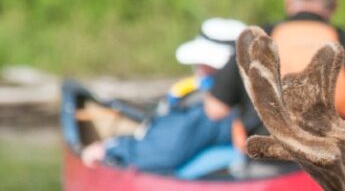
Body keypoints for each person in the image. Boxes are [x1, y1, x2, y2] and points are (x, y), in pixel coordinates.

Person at [205, 0, 345, 155]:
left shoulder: (259, 41)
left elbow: (215, 109)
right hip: (331, 162)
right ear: (335, 2)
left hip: (267, 160)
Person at [81, 18, 245, 175]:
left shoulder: (210, 107)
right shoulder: (245, 97)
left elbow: (165, 151)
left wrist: (109, 149)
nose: (198, 67)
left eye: (204, 63)